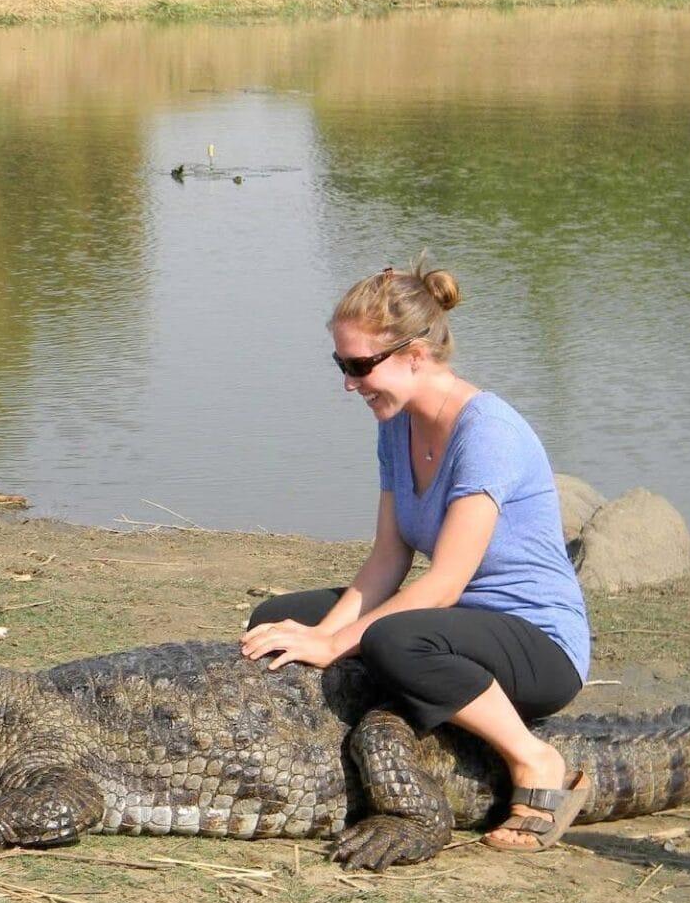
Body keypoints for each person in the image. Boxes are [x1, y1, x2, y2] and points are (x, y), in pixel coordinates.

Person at [239, 254, 591, 852]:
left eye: (358, 365)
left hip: (535, 642)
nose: (348, 382)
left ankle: (534, 760)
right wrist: (318, 635)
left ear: (415, 357)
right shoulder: (394, 423)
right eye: (340, 363)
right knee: (275, 618)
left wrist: (332, 645)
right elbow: (386, 561)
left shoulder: (489, 433)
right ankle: (389, 727)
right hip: (456, 630)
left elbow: (445, 584)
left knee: (391, 640)